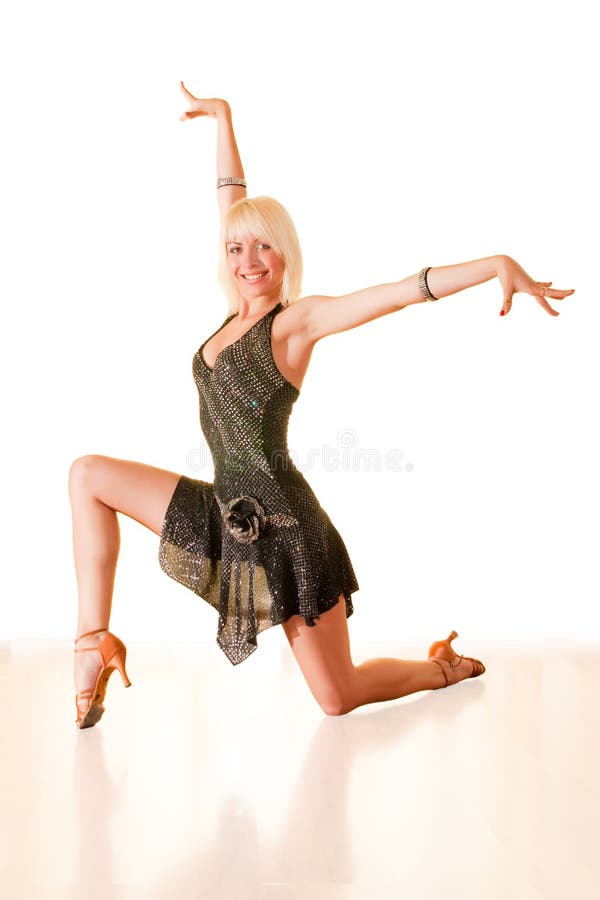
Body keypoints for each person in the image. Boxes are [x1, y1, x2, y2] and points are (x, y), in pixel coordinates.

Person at [69, 84, 575, 729]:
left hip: (285, 528)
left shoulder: (294, 324)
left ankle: (443, 668)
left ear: (285, 255)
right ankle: (91, 645)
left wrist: (493, 264)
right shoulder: (230, 314)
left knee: (339, 696)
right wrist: (225, 120)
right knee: (87, 474)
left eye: (264, 247)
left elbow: (395, 294)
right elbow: (235, 207)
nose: (249, 259)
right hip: (224, 507)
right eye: (236, 249)